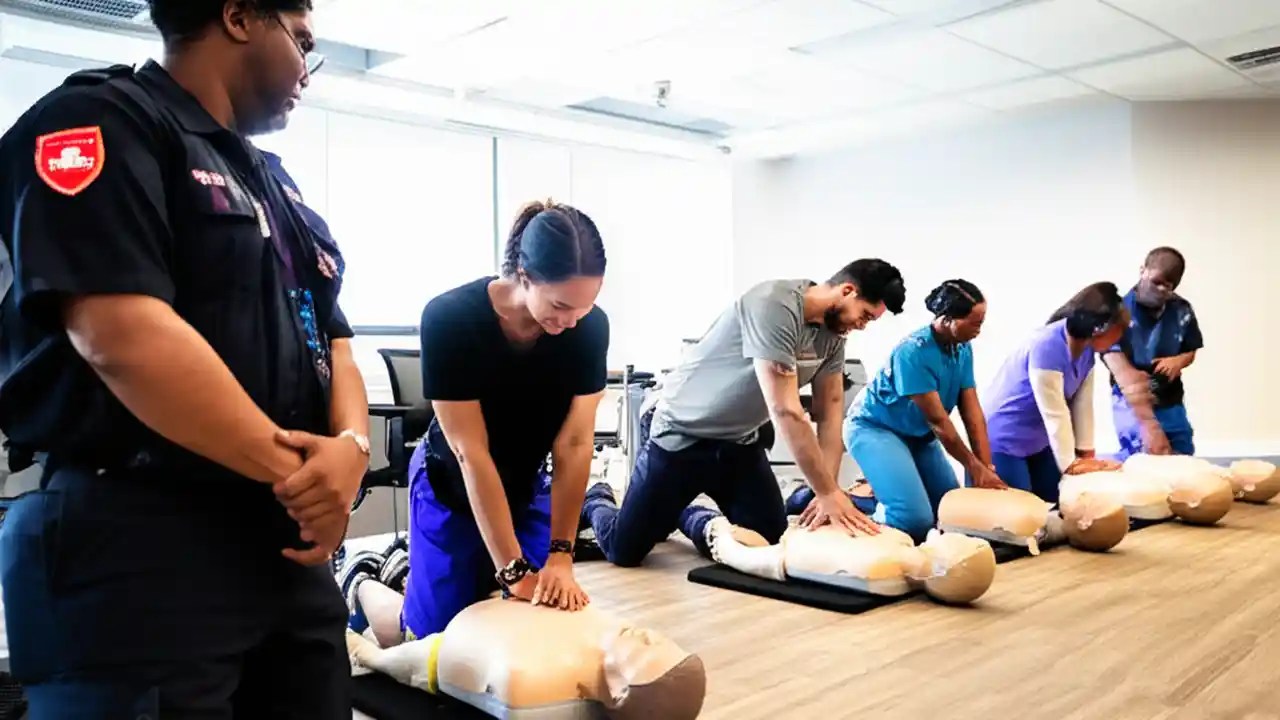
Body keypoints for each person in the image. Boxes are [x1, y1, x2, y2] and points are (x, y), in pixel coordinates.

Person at [0, 1, 367, 716]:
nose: (307, 73)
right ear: (238, 17)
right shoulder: (103, 121)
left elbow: (336, 337)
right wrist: (304, 477)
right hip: (138, 541)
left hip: (278, 543)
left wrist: (350, 451)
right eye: (302, 44)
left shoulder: (275, 182)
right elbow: (120, 335)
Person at [341, 200, 609, 649]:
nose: (571, 321)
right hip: (452, 482)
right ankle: (362, 579)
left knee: (534, 624)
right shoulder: (451, 319)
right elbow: (471, 454)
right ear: (524, 275)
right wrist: (512, 570)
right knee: (433, 644)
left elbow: (576, 444)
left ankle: (412, 571)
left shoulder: (588, 328)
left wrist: (561, 556)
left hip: (525, 484)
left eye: (584, 308)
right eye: (561, 305)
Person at [583, 260, 905, 568]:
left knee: (768, 541)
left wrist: (828, 491)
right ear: (847, 291)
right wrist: (828, 492)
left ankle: (690, 516)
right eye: (865, 315)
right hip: (681, 436)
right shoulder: (774, 304)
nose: (861, 326)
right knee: (622, 550)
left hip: (738, 445)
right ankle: (596, 498)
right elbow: (786, 410)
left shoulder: (834, 336)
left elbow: (830, 411)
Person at [845, 280, 1005, 543]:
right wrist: (973, 466)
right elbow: (939, 421)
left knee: (949, 513)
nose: (979, 330)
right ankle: (855, 501)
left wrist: (986, 467)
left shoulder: (962, 347)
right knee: (912, 519)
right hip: (875, 428)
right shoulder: (913, 352)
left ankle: (882, 491)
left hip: (918, 435)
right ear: (947, 319)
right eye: (975, 322)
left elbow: (972, 411)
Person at [982, 283, 1129, 503]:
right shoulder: (1047, 345)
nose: (1121, 337)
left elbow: (1083, 405)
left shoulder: (1088, 350)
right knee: (1023, 509)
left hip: (1038, 439)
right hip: (1004, 436)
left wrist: (1087, 455)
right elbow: (1055, 412)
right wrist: (1071, 465)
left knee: (1056, 500)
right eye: (1119, 330)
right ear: (1100, 328)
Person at [1102, 247, 1202, 459]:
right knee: (1143, 453)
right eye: (1156, 281)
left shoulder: (1182, 309)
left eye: (1169, 286)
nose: (1161, 290)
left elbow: (1191, 349)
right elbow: (1123, 375)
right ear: (1142, 270)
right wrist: (1149, 426)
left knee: (1182, 451)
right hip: (1130, 399)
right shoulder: (1117, 312)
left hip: (1169, 396)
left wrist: (1178, 361)